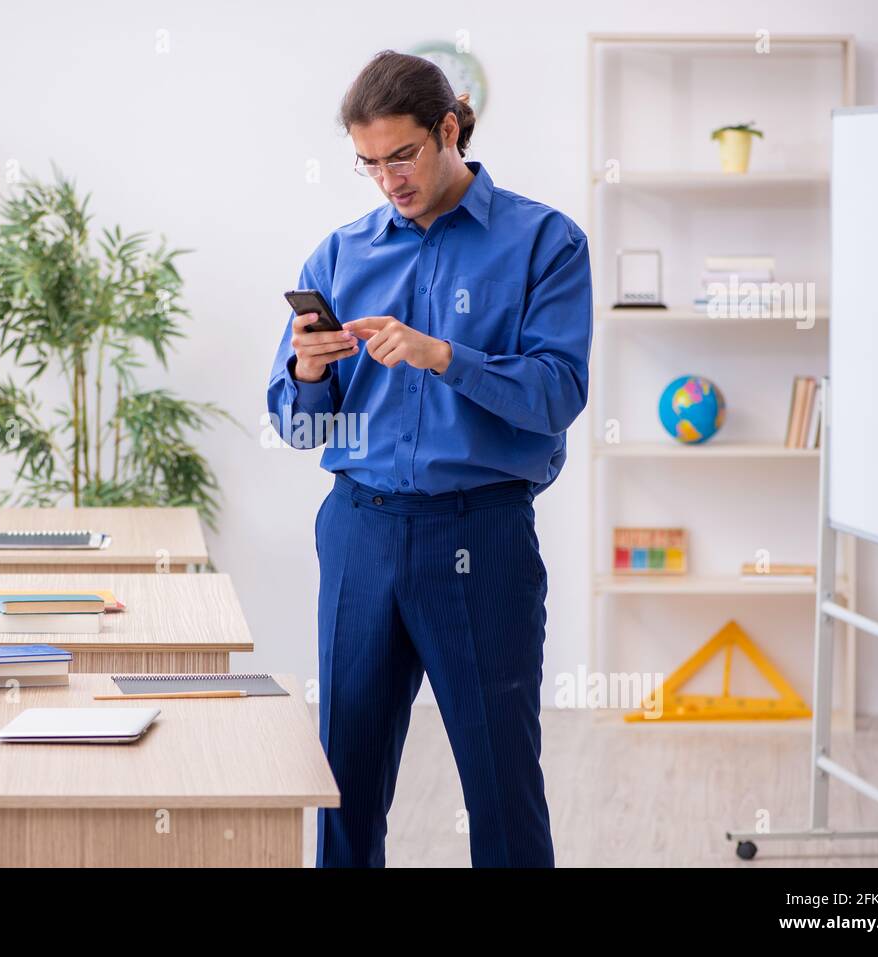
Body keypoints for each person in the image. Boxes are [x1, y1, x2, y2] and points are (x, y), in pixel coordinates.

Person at [266, 50, 593, 867]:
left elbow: (558, 393)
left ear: (449, 129)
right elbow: (303, 434)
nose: (387, 180)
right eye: (369, 162)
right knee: (342, 788)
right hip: (359, 535)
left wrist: (445, 355)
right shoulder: (339, 255)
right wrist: (308, 371)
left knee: (502, 791)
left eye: (402, 155)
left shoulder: (545, 242)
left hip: (479, 537)